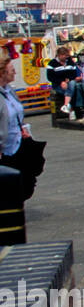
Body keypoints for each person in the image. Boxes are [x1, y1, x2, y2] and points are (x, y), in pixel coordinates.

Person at [0, 49, 37, 199]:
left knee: (25, 182)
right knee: (9, 187)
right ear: (2, 72)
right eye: (11, 70)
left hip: (18, 142)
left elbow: (17, 113)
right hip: (4, 149)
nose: (14, 73)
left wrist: (22, 127)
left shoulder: (10, 91)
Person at [46, 46, 84, 118]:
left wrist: (69, 79)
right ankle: (74, 109)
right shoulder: (52, 64)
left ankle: (67, 106)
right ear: (59, 55)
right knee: (73, 88)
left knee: (74, 85)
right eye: (64, 55)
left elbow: (73, 74)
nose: (66, 57)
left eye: (66, 55)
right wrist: (61, 82)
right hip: (58, 85)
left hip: (69, 82)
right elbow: (50, 77)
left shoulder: (70, 62)